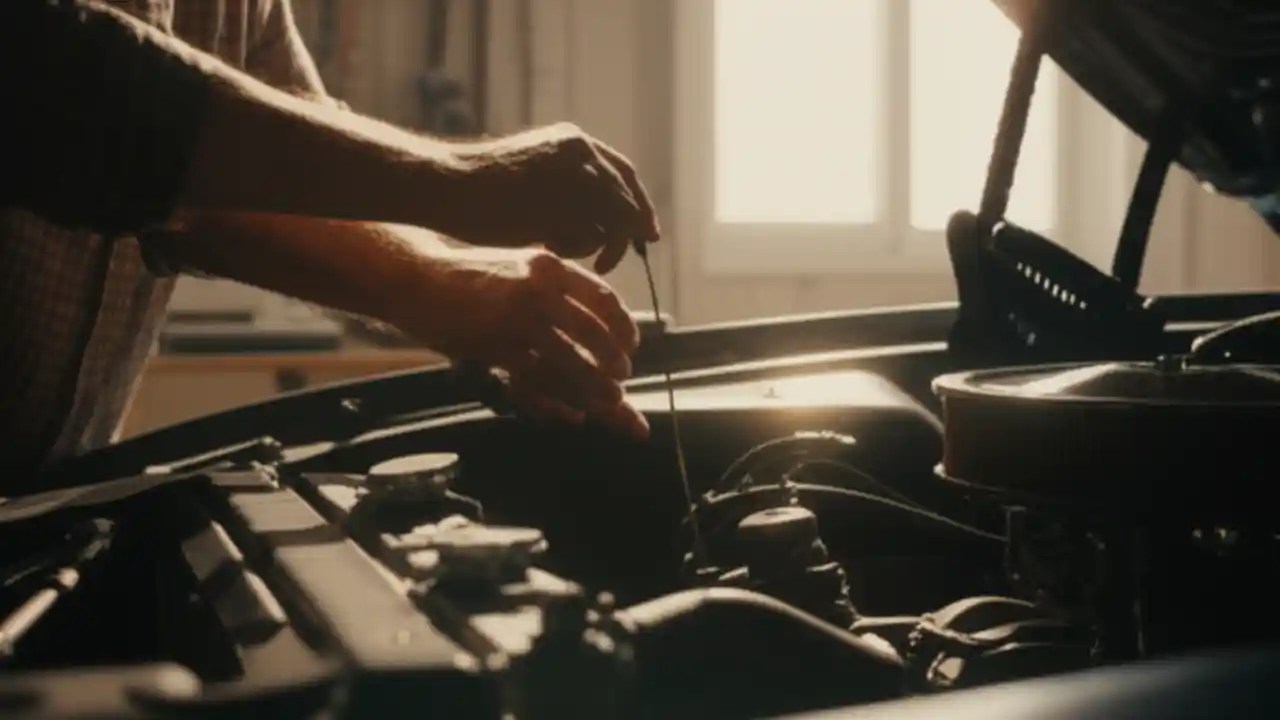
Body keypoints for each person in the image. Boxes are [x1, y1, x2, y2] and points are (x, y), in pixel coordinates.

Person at [1, 0, 660, 479]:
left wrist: (443, 284)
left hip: (46, 513)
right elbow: (64, 82)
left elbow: (247, 181)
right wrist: (460, 180)